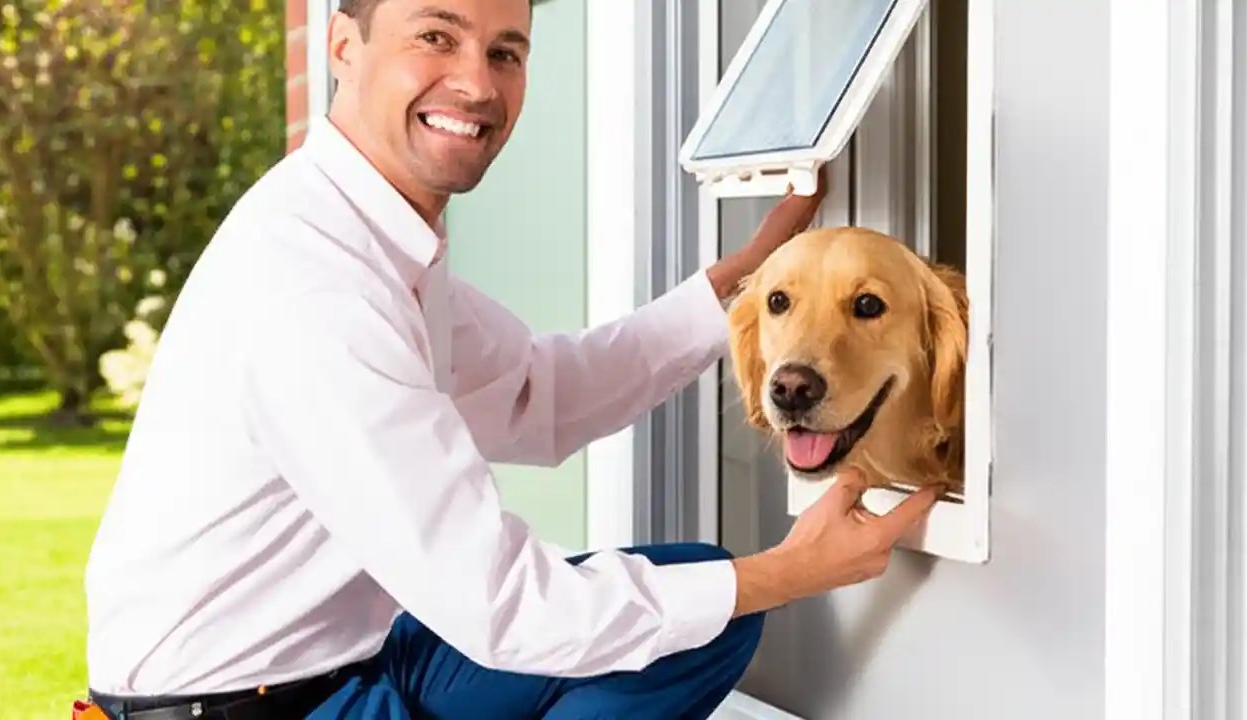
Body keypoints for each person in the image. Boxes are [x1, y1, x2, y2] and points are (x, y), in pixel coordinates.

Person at [81, 0, 941, 718]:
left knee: (706, 606)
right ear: (343, 46)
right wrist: (795, 571)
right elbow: (506, 608)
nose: (477, 83)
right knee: (717, 602)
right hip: (255, 707)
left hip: (352, 656)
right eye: (436, 37)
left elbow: (538, 393)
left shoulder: (374, 233)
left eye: (505, 52)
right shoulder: (319, 290)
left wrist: (738, 289)